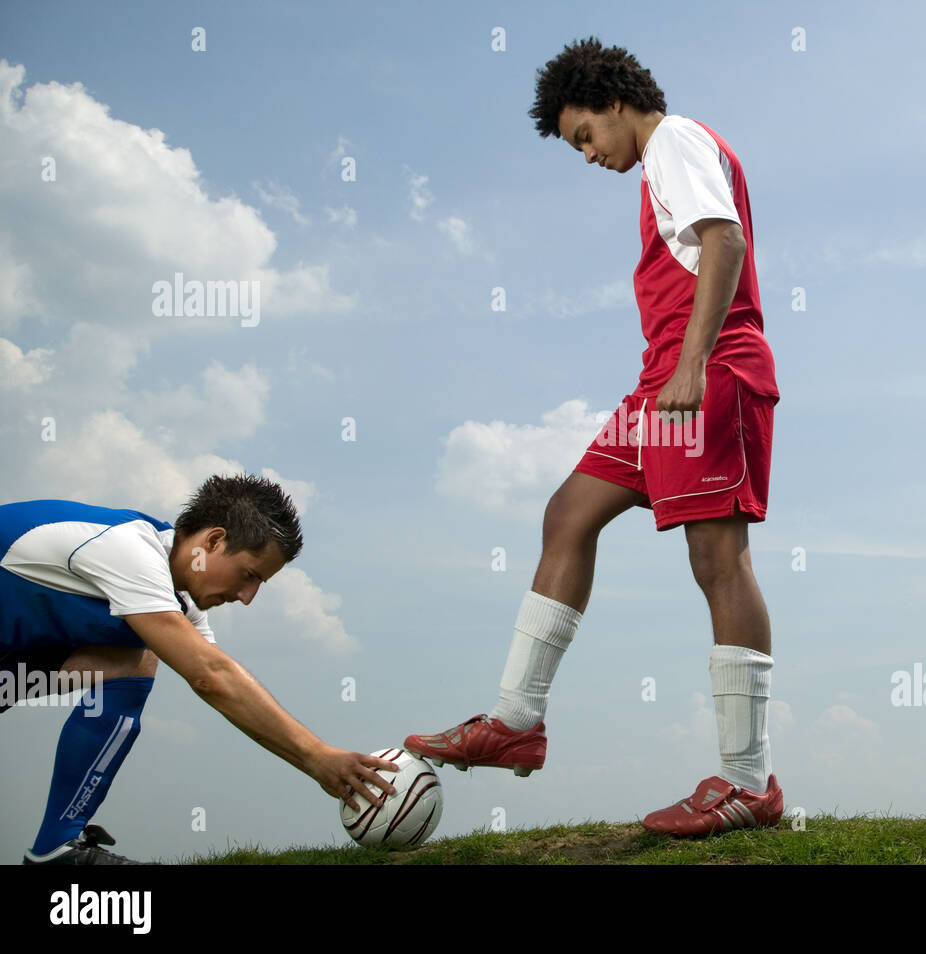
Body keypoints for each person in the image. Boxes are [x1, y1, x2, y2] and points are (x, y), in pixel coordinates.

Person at [406, 37, 783, 836]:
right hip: (659, 386)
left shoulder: (675, 140)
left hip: (704, 375)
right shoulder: (658, 166)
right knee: (568, 514)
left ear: (614, 103)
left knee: (718, 559)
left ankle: (750, 782)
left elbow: (726, 241)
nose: (585, 154)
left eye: (584, 134)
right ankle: (515, 721)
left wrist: (693, 366)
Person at [0, 473, 398, 865]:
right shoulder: (128, 549)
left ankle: (56, 845)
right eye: (249, 576)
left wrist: (318, 762)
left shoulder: (176, 603)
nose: (246, 597)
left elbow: (223, 684)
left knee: (135, 659)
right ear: (213, 540)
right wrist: (318, 755)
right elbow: (211, 676)